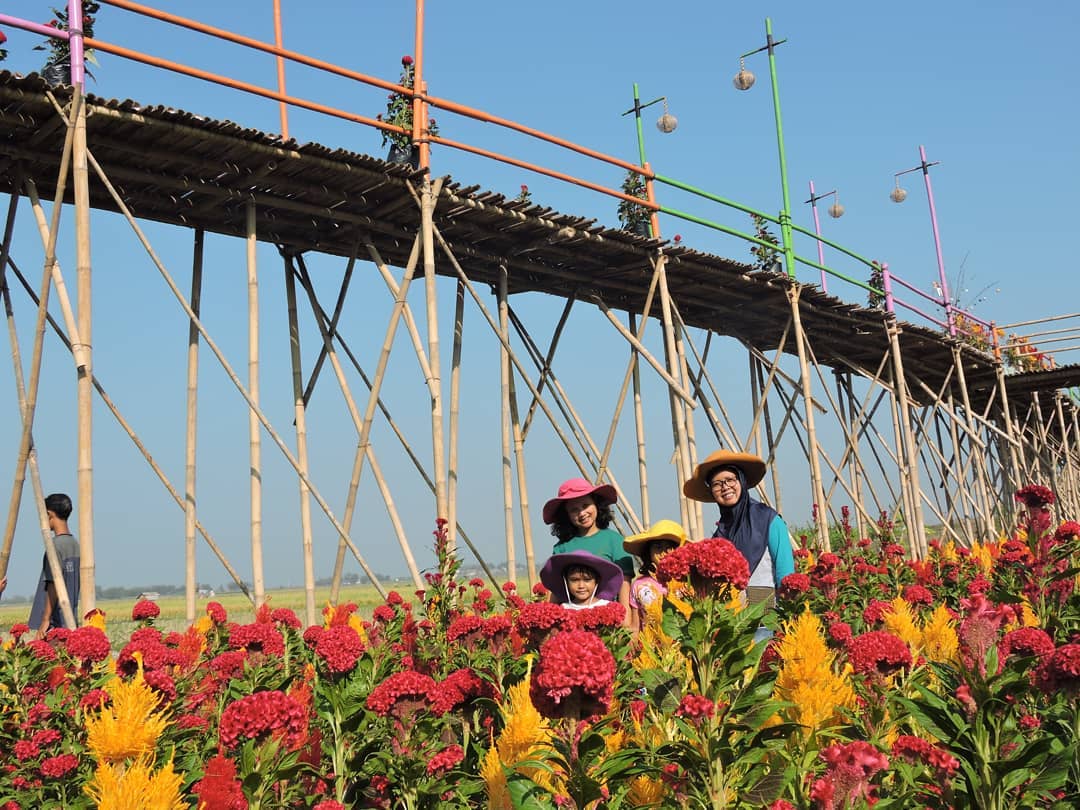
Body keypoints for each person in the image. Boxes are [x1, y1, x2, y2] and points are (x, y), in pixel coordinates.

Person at [683, 450, 795, 604]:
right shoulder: (718, 537)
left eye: (730, 479)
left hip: (766, 620)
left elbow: (786, 574)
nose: (725, 487)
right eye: (716, 484)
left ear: (741, 481)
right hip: (730, 623)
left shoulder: (769, 520)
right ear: (711, 492)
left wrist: (785, 618)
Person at [543, 478, 634, 620]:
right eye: (574, 509)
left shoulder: (614, 540)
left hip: (608, 620)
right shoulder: (562, 547)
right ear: (566, 515)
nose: (582, 513)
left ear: (597, 505)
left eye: (586, 505)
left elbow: (624, 584)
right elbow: (555, 591)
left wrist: (626, 621)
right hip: (572, 621)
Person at [29, 493, 81, 636]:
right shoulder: (75, 544)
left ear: (49, 514)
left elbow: (53, 584)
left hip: (56, 623)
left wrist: (45, 619)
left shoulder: (55, 546)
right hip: (71, 620)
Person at [622, 519, 687, 630]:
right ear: (649, 552)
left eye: (669, 547)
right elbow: (635, 626)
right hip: (651, 644)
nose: (663, 553)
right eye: (658, 547)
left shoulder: (687, 582)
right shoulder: (640, 585)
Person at [539, 550, 624, 610]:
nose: (581, 586)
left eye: (587, 580)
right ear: (566, 581)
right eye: (574, 580)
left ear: (597, 581)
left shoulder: (606, 607)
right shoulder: (564, 609)